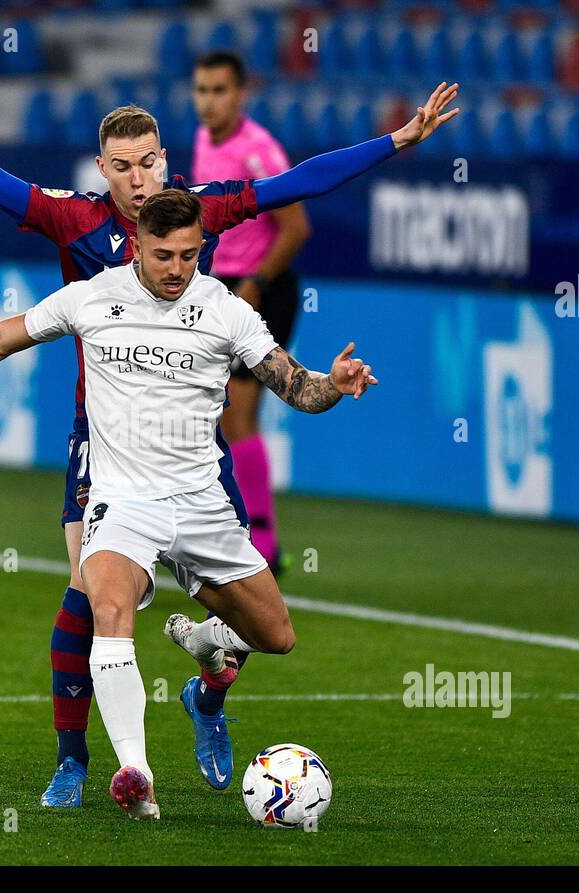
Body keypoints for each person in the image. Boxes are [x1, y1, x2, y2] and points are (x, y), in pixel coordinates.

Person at [0, 28, 459, 806]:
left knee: (261, 622)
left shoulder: (200, 219)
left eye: (147, 162)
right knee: (89, 599)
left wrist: (397, 140)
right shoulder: (77, 227)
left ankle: (208, 693)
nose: (135, 178)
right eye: (121, 166)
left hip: (196, 446)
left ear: (165, 159)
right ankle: (80, 762)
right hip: (106, 447)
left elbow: (296, 184)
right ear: (104, 171)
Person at [0, 190, 378, 819]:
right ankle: (135, 773)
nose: (177, 269)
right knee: (106, 607)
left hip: (201, 505)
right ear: (136, 244)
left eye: (190, 255)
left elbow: (293, 385)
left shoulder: (224, 308)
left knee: (276, 637)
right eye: (164, 255)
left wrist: (334, 384)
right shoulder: (94, 296)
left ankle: (206, 672)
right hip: (122, 502)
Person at [191, 49, 308, 578]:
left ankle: (262, 539)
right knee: (214, 415)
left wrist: (255, 284)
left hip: (263, 289)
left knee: (238, 412)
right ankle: (234, 531)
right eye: (202, 90)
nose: (209, 101)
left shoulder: (259, 150)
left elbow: (296, 228)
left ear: (241, 94)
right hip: (220, 290)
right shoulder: (199, 142)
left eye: (219, 91)